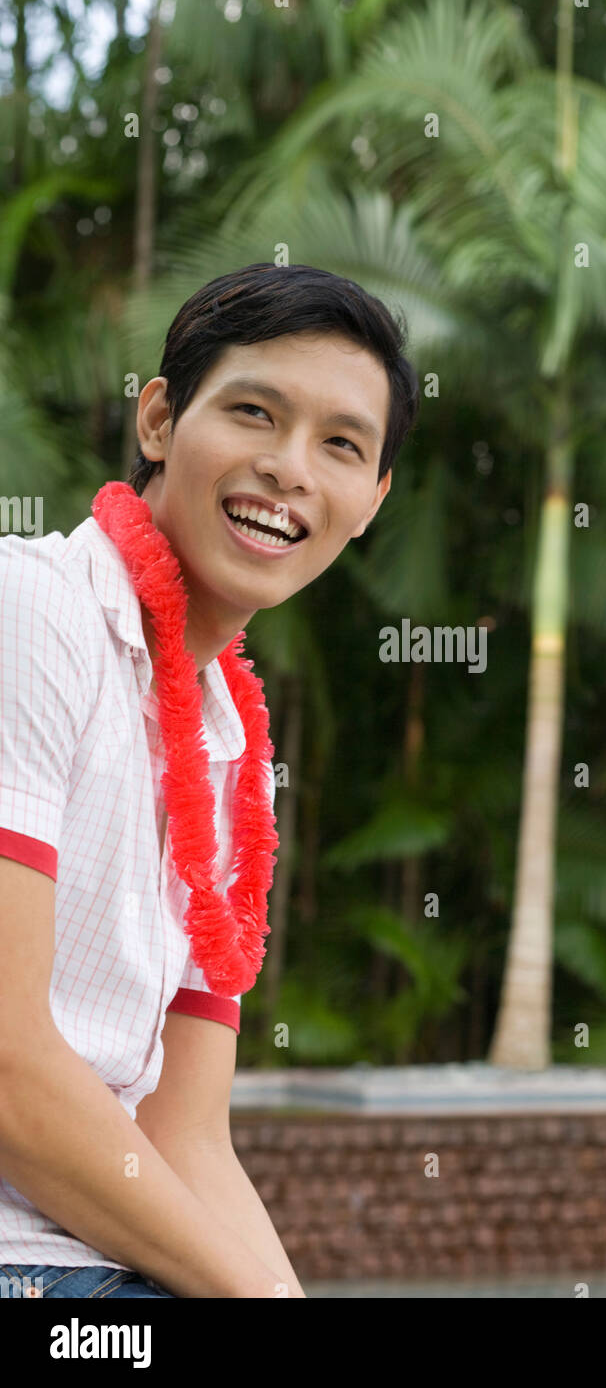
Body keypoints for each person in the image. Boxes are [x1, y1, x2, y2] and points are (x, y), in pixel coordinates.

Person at [0, 262, 420, 1298]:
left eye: (339, 445)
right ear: (157, 418)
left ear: (369, 501)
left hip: (104, 1264)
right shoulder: (36, 613)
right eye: (253, 412)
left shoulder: (233, 749)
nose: (288, 468)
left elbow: (183, 1131)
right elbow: (9, 1068)